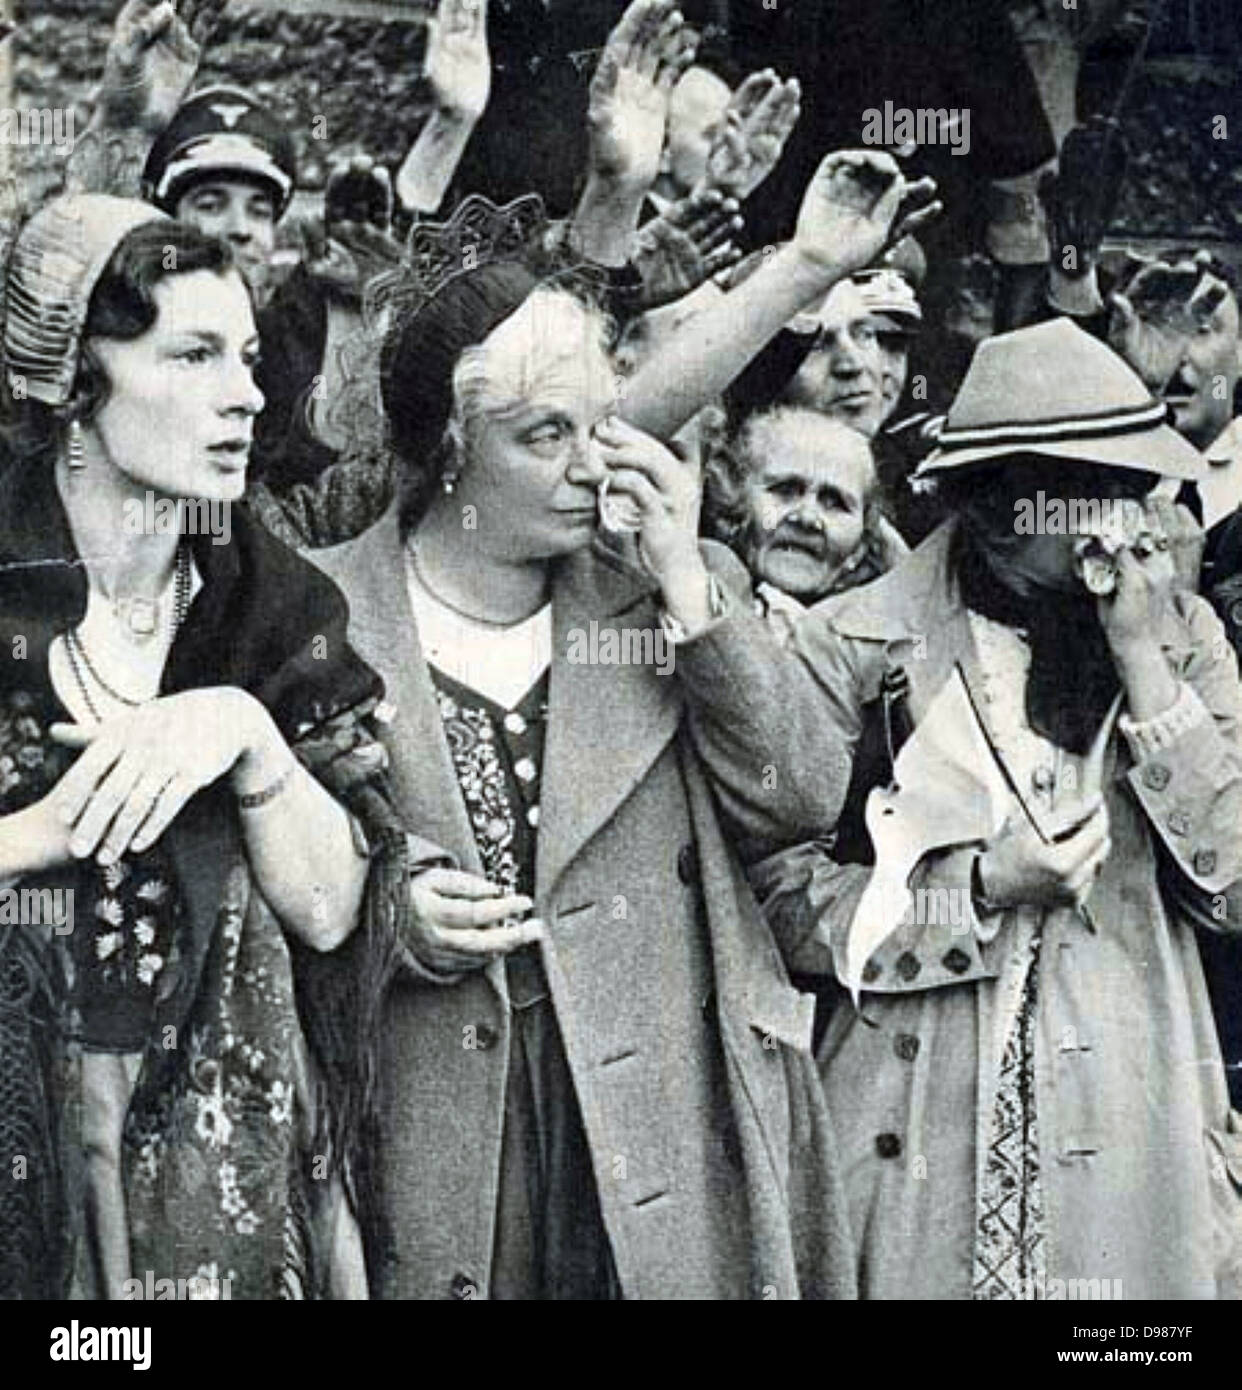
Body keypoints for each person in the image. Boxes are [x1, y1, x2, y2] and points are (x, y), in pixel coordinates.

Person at [309, 121, 937, 1295]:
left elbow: (799, 796)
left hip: (653, 1123)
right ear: (450, 447)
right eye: (545, 436)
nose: (594, 464)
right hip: (427, 1119)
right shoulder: (323, 615)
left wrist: (696, 591)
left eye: (602, 425)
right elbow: (256, 899)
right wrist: (383, 916)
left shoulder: (659, 592)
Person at [674, 317, 1242, 1299]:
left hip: (1133, 1126)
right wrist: (973, 887)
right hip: (911, 1121)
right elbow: (777, 896)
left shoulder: (1178, 635)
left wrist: (1146, 668)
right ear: (998, 506)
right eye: (1083, 495)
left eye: (1126, 489)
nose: (1119, 521)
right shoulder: (854, 644)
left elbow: (1232, 884)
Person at [0, 193, 447, 1299]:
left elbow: (335, 908)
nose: (246, 394)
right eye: (193, 354)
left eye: (247, 356)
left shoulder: (271, 606)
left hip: (214, 1152)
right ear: (74, 380)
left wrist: (247, 740)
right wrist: (40, 833)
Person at [702, 407, 906, 637]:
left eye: (835, 502)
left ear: (858, 550)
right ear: (733, 501)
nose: (807, 518)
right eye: (786, 490)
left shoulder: (878, 643)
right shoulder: (691, 599)